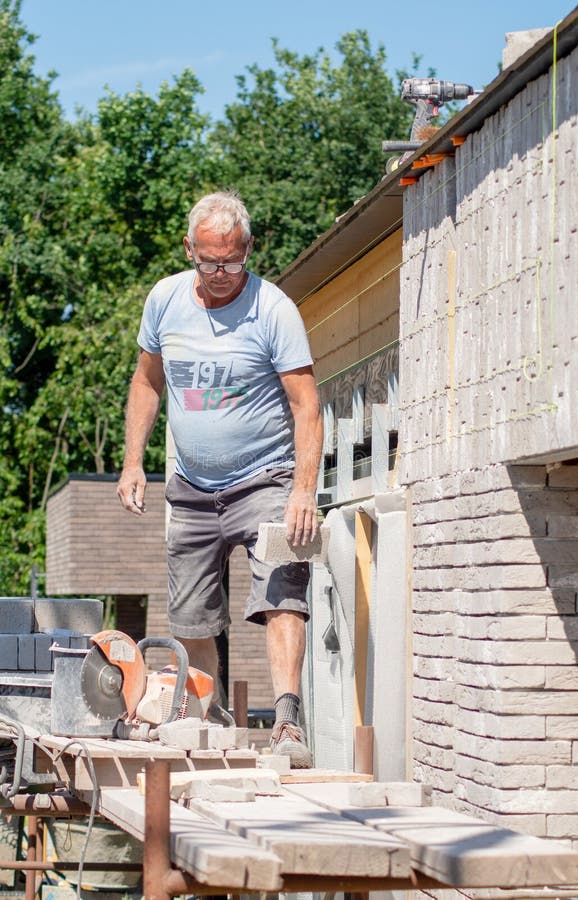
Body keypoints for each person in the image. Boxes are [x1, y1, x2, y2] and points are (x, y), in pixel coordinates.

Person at [117, 190, 323, 767]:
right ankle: (205, 718)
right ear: (190, 250)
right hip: (191, 484)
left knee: (282, 588)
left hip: (265, 477)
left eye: (233, 262)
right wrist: (134, 462)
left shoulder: (274, 309)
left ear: (248, 250)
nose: (222, 274)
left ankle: (286, 721)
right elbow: (146, 383)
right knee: (192, 613)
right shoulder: (164, 301)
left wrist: (304, 489)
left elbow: (307, 405)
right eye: (209, 262)